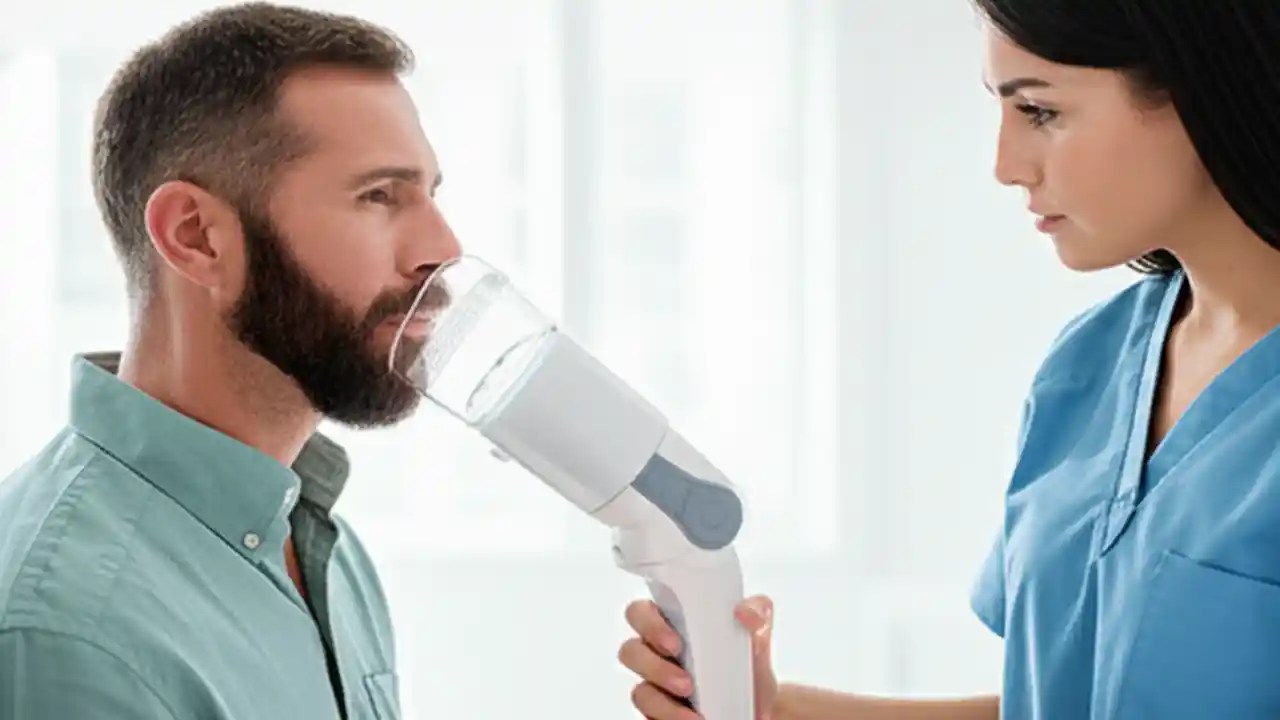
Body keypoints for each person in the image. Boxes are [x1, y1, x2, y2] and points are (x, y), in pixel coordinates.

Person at [620, 1, 1280, 718]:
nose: (1005, 166)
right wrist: (773, 709)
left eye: (1040, 112)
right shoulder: (1088, 367)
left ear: (1197, 88)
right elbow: (1053, 704)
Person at [0, 3, 458, 718]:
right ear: (197, 237)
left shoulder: (320, 547)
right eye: (378, 196)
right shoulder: (72, 634)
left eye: (429, 195)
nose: (442, 248)